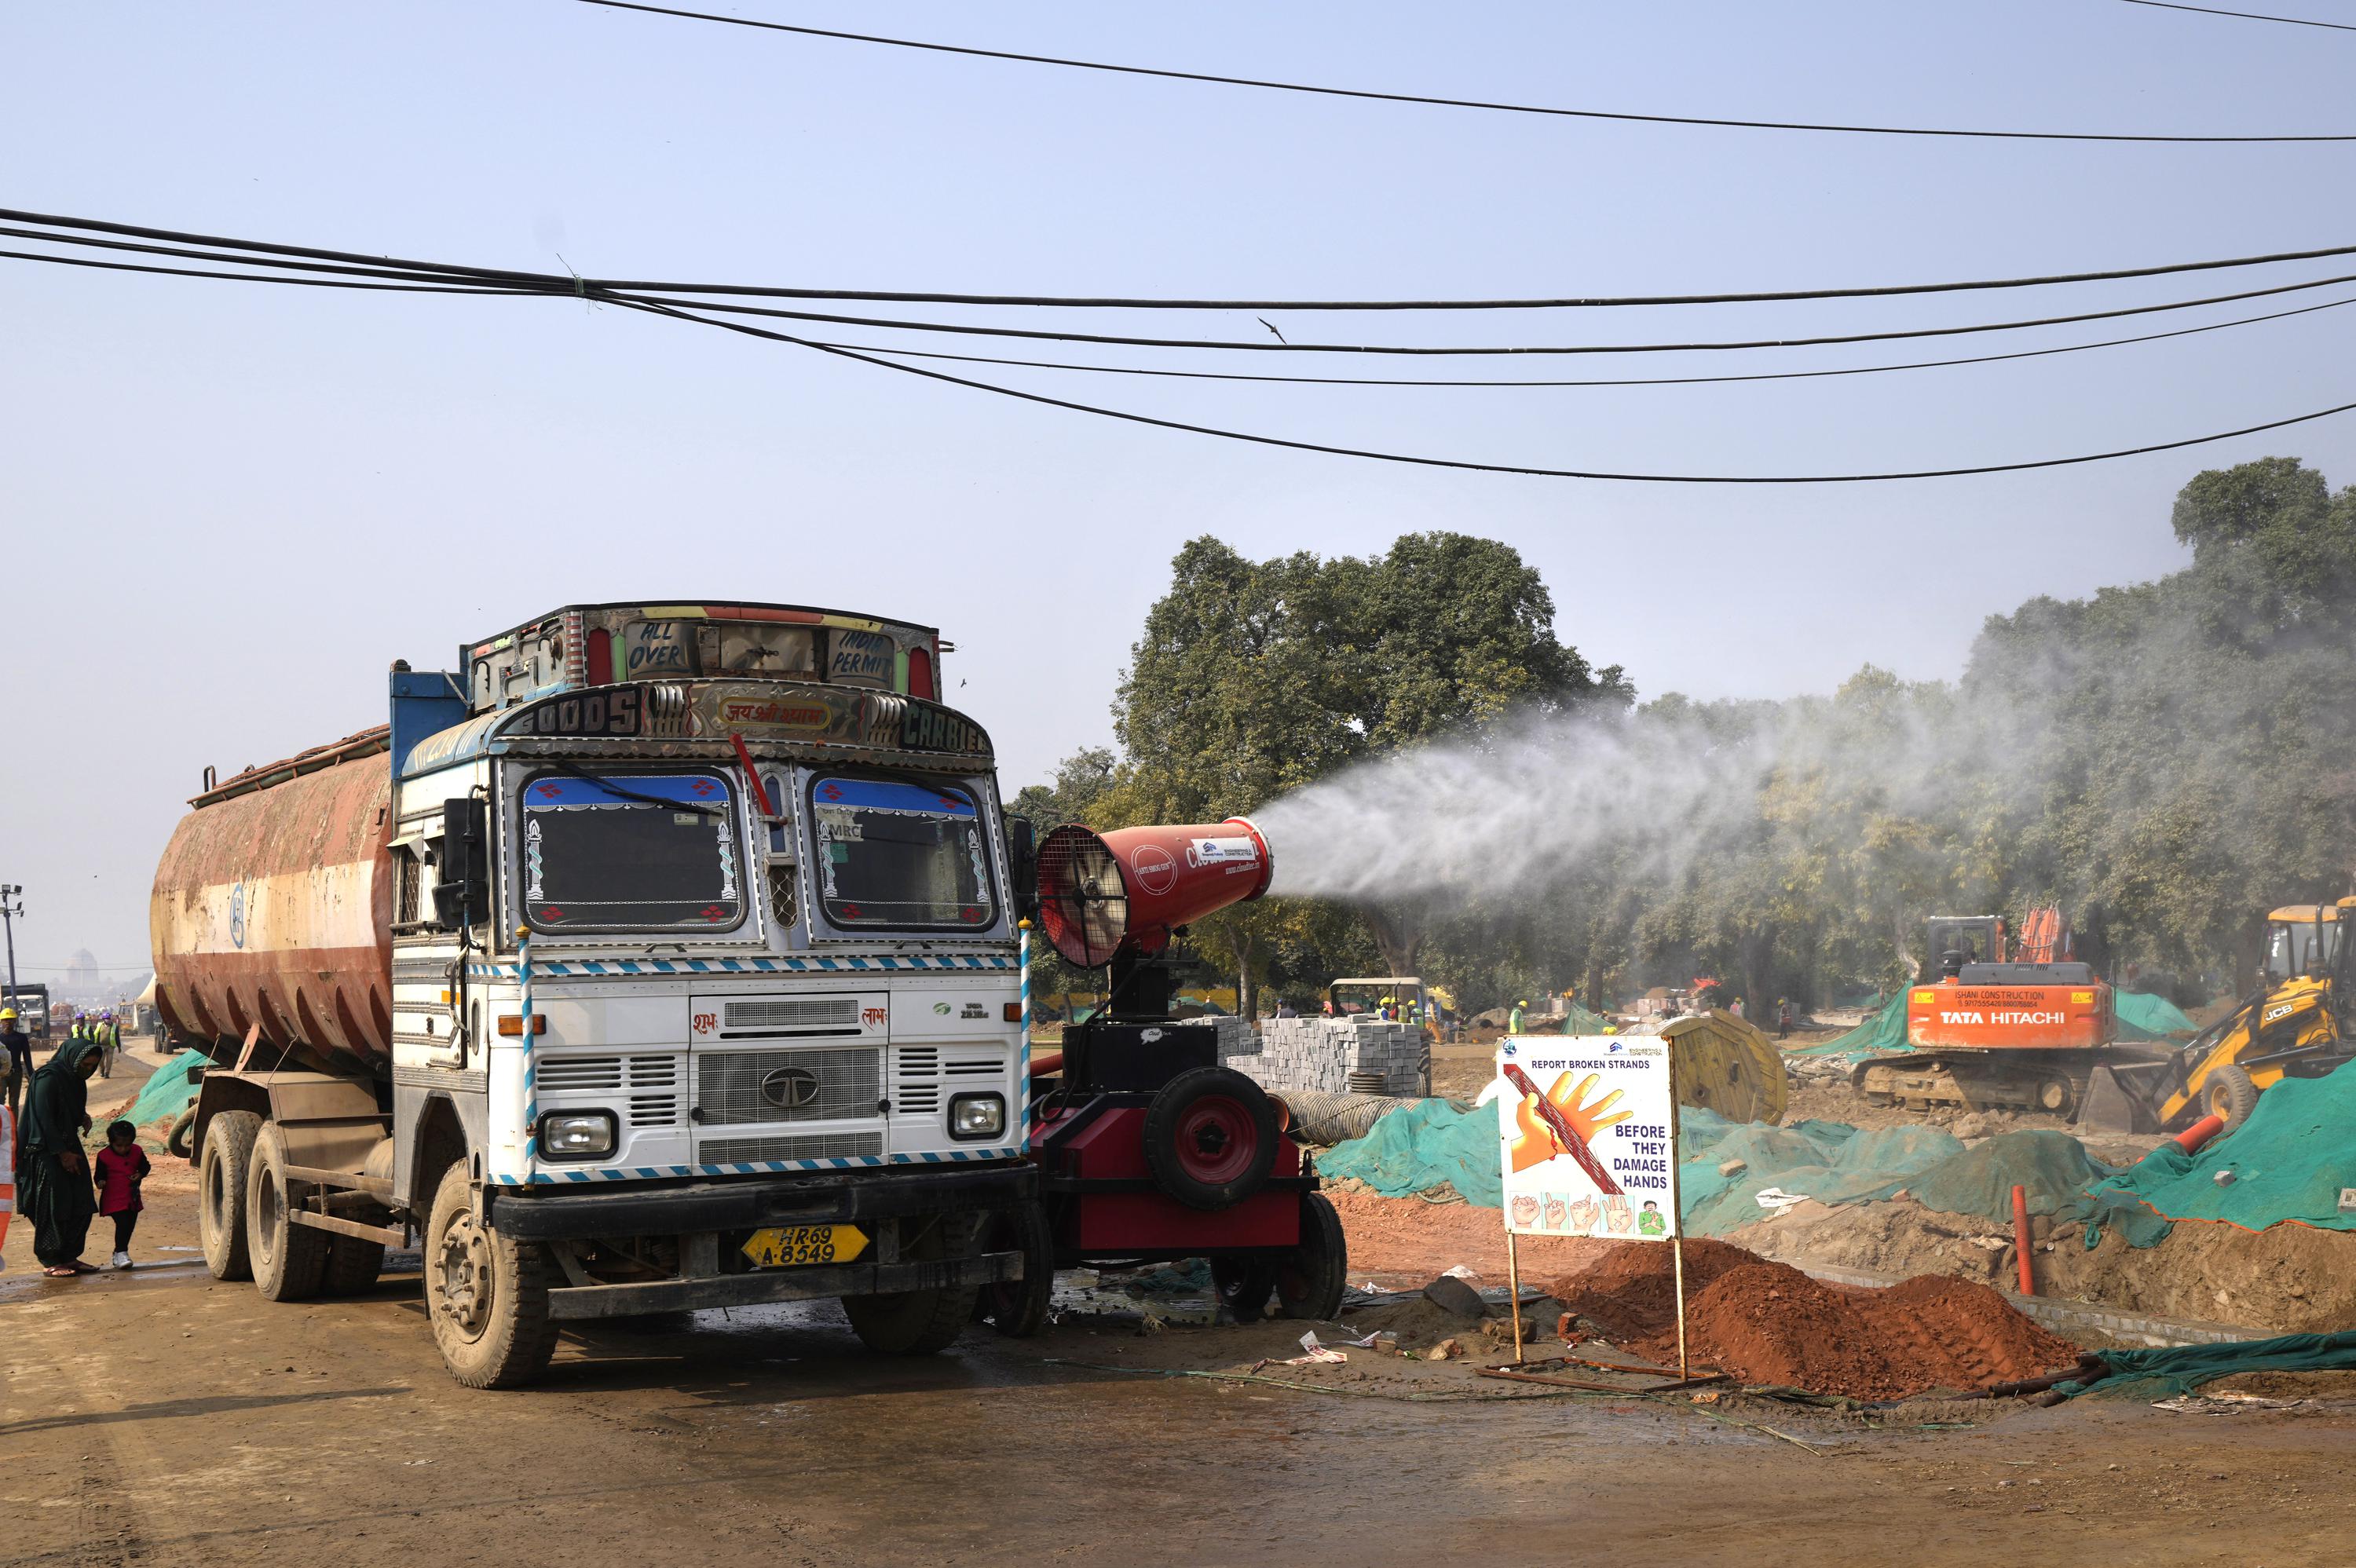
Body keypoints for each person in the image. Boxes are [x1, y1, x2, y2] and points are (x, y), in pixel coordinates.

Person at [18, 1034, 103, 1276]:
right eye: (85, 1065)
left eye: (92, 1066)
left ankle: (69, 1255)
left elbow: (68, 1109)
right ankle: (51, 1259)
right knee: (53, 1205)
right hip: (44, 1150)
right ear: (72, 1058)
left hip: (68, 1145)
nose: (88, 1070)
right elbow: (44, 1119)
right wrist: (62, 1153)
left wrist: (82, 1117)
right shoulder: (48, 1078)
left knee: (82, 1202)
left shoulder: (74, 1079)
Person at [93, 1119, 150, 1270]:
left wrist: (140, 1174)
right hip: (113, 1198)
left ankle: (118, 1253)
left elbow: (145, 1166)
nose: (123, 1149)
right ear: (111, 1142)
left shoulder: (137, 1151)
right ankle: (122, 1253)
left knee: (129, 1225)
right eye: (119, 1146)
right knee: (123, 1223)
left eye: (127, 1145)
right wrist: (100, 1182)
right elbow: (99, 1175)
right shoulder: (104, 1155)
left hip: (132, 1197)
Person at [1, 1006, 30, 1120]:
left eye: (10, 1019)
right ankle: (2, 1129)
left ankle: (14, 1130)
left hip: (16, 1074)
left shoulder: (21, 1038)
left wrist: (31, 1074)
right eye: (5, 1019)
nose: (8, 1022)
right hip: (1, 1075)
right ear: (1, 1021)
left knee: (14, 1104)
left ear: (15, 1021)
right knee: (0, 1103)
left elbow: (27, 1057)